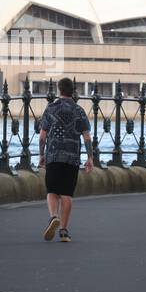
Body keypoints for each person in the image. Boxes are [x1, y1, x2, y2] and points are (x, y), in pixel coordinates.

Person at [37, 77, 94, 242]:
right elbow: (87, 137)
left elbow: (42, 136)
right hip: (72, 157)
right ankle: (63, 231)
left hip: (53, 155)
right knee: (67, 194)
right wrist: (90, 158)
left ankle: (54, 216)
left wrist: (41, 155)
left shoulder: (51, 108)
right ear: (73, 91)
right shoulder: (79, 110)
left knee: (52, 191)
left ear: (58, 90)